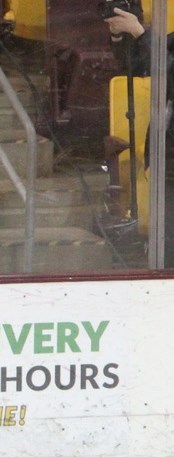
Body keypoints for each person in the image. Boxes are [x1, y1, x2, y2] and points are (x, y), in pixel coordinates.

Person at [106, 3, 174, 266]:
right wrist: (120, 34)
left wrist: (138, 32)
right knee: (167, 240)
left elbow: (166, 72)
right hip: (167, 158)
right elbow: (136, 64)